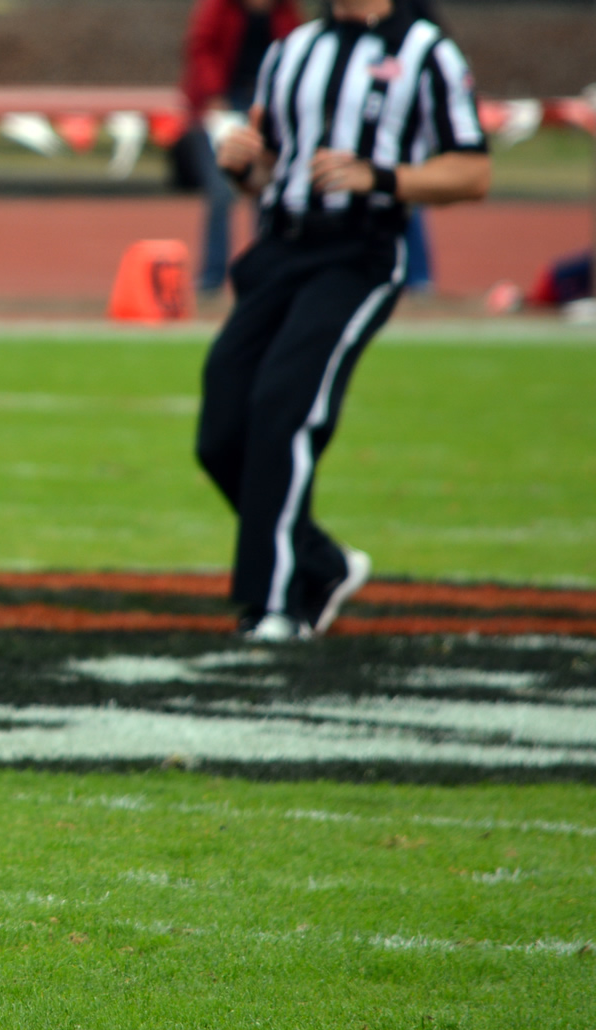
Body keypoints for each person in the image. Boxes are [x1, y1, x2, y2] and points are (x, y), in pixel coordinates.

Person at [201, 0, 489, 641]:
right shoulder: (294, 47)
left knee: (284, 409)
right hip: (279, 247)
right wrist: (245, 164)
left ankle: (279, 605)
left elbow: (473, 170)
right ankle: (323, 563)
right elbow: (271, 170)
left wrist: (381, 176)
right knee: (222, 429)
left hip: (358, 253)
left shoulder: (425, 49)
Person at [181, 0, 302, 294]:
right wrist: (213, 95)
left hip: (266, 106)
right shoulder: (219, 7)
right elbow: (201, 49)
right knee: (221, 192)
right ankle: (211, 276)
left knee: (267, 194)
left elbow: (296, 54)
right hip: (224, 104)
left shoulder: (285, 12)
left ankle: (267, 270)